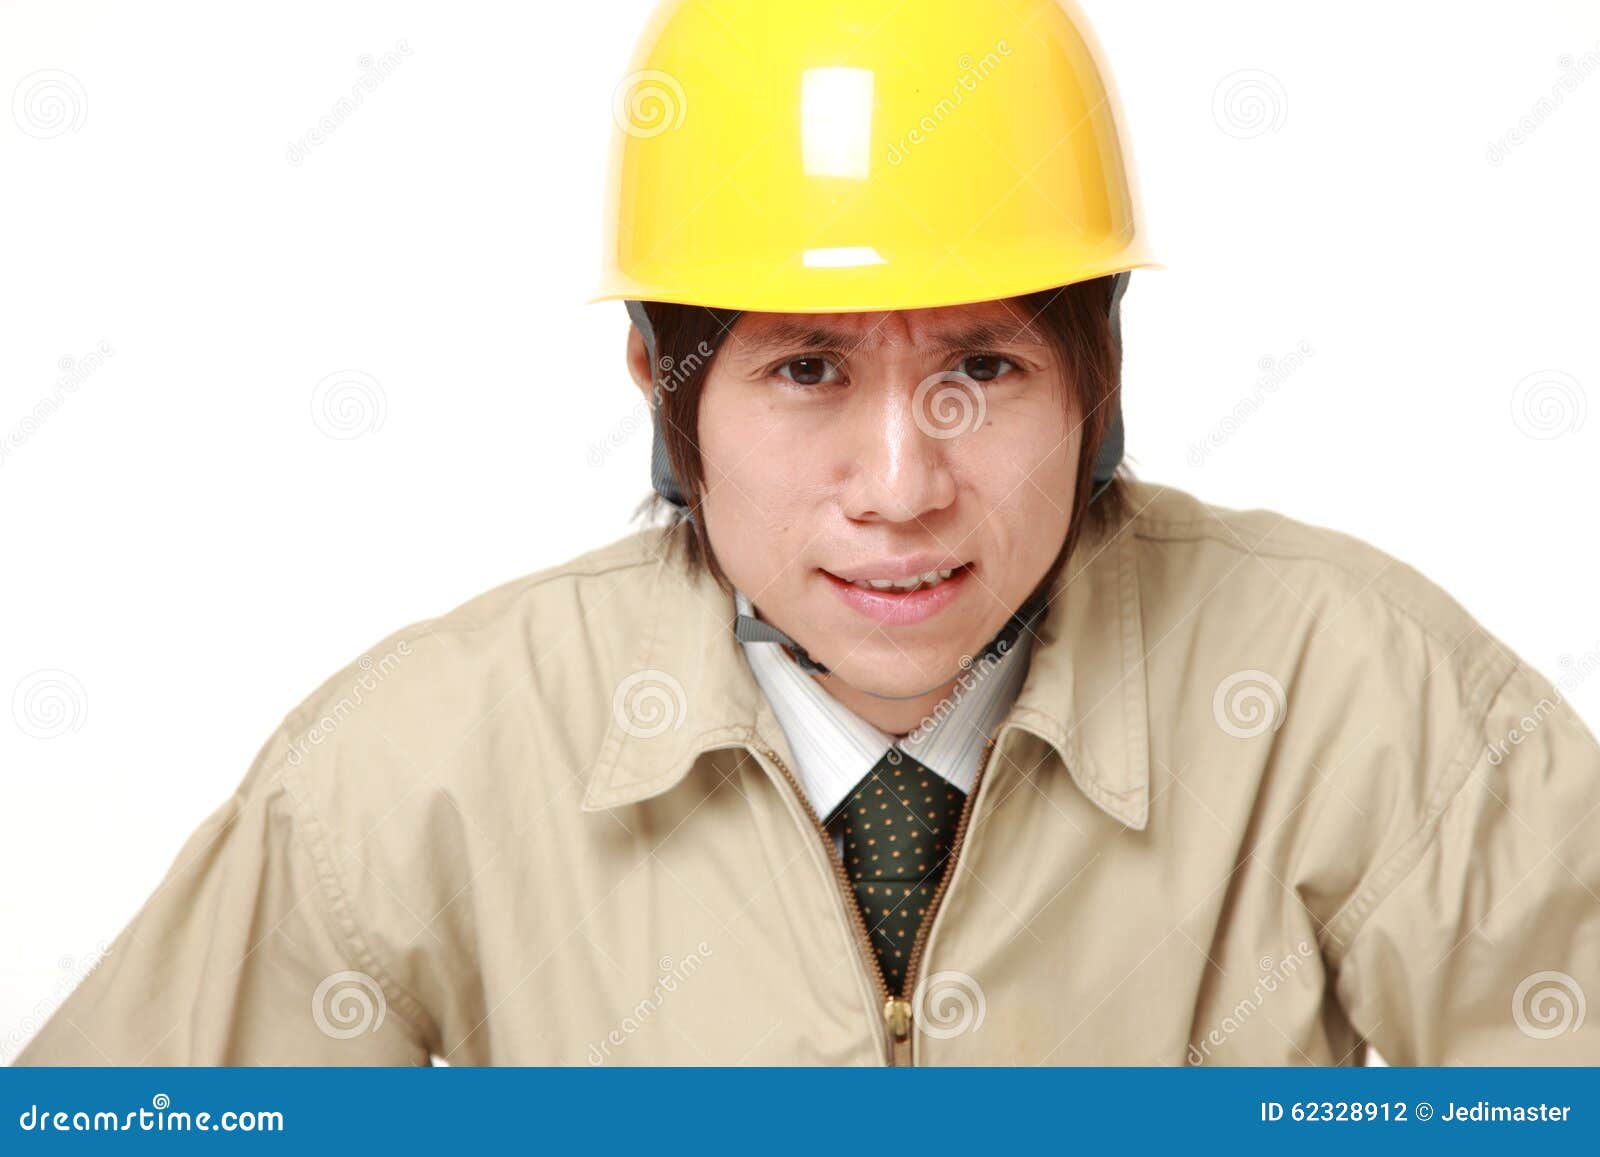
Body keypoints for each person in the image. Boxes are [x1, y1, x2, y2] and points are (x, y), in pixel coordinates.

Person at [18, 0, 1600, 1067]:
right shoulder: (428, 756)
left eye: (983, 365)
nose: (902, 482)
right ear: (665, 384)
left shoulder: (1365, 697)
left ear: (1097, 376)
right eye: (806, 369)